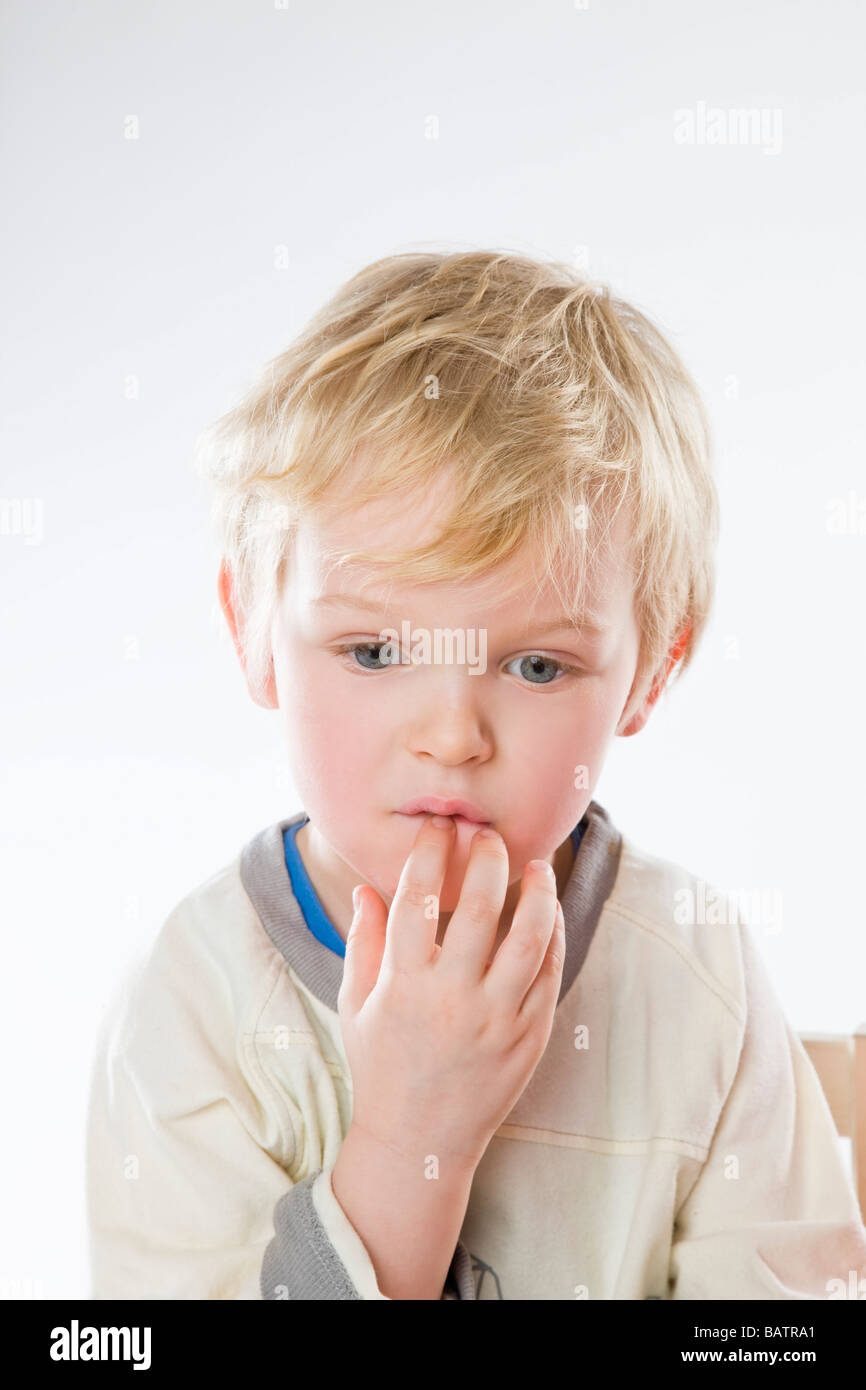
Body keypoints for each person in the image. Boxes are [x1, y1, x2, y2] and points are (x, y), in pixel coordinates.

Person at [85, 249, 866, 1299]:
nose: (452, 733)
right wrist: (416, 1139)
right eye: (372, 651)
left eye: (535, 664)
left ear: (651, 671)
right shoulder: (193, 1005)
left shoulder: (695, 977)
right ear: (254, 630)